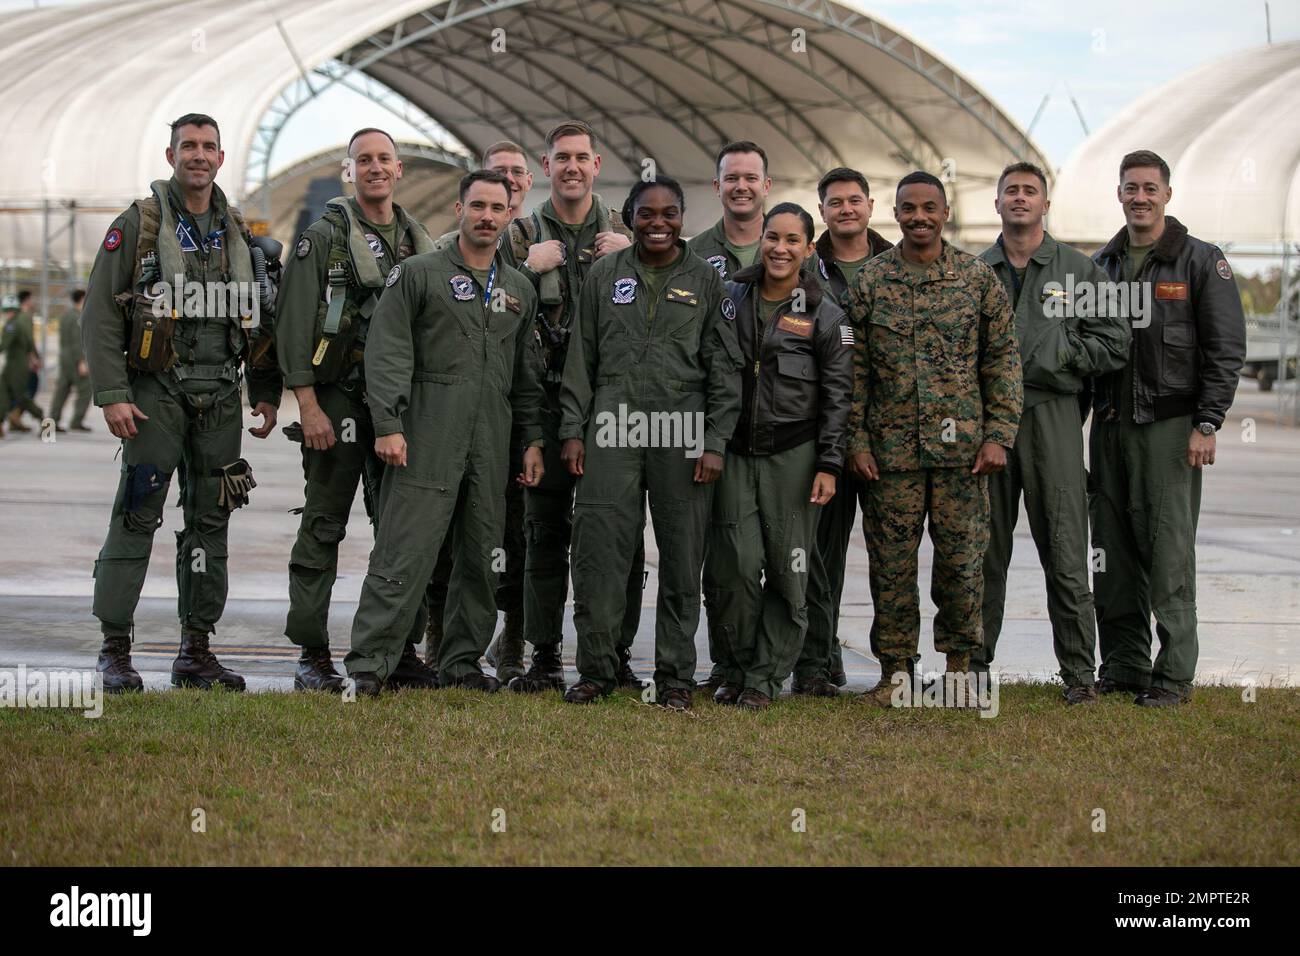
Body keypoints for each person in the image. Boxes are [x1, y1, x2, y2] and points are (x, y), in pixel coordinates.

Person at [81, 113, 282, 693]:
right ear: (171, 157)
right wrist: (113, 394)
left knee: (211, 521)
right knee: (138, 512)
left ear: (221, 159)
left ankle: (196, 650)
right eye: (188, 146)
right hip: (156, 397)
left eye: (209, 147)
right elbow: (98, 313)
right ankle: (114, 648)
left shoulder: (239, 234)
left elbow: (261, 318)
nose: (199, 155)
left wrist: (265, 392)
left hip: (221, 396)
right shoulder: (140, 225)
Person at [343, 169, 545, 696]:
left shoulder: (519, 288)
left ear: (508, 216)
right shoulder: (418, 274)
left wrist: (532, 441)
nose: (486, 216)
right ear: (459, 211)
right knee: (405, 549)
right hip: (426, 429)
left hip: (491, 439)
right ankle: (370, 662)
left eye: (496, 208)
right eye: (476, 206)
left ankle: (460, 662)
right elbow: (387, 353)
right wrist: (387, 423)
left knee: (481, 555)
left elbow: (525, 376)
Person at [558, 175, 743, 709]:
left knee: (683, 558)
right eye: (646, 214)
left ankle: (675, 678)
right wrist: (574, 430)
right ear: (629, 219)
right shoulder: (603, 275)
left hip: (681, 427)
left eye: (669, 214)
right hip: (612, 423)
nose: (657, 223)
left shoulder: (707, 282)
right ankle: (597, 670)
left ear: (683, 217)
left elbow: (724, 368)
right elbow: (581, 358)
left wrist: (714, 441)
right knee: (599, 551)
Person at [844, 171, 1022, 706]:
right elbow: (853, 370)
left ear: (945, 213)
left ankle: (960, 671)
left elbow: (1003, 360)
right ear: (894, 214)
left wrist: (998, 435)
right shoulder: (871, 282)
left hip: (963, 457)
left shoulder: (976, 278)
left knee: (962, 566)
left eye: (929, 207)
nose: (918, 217)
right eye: (908, 208)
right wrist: (856, 440)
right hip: (890, 457)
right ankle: (896, 673)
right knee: (891, 568)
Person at [277, 127, 438, 693]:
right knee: (323, 524)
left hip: (396, 405)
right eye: (363, 160)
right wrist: (308, 404)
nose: (374, 167)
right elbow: (293, 321)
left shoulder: (422, 243)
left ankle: (399, 648)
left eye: (383, 159)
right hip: (338, 399)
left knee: (400, 530)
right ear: (350, 171)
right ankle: (311, 652)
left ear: (398, 171)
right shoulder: (323, 238)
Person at [1088, 149, 1246, 707]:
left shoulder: (1200, 261)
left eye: (1150, 188)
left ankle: (1174, 674)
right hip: (1109, 428)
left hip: (1170, 427)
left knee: (1167, 549)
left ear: (1168, 195)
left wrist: (1208, 422)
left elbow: (1226, 350)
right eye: (1131, 188)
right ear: (1120, 194)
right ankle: (1125, 665)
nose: (1140, 197)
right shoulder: (1101, 265)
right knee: (1112, 552)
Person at [496, 120, 647, 696]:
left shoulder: (628, 231)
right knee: (543, 534)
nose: (573, 168)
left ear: (597, 165)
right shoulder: (520, 234)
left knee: (619, 536)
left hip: (614, 410)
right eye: (562, 158)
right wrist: (523, 272)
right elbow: (485, 305)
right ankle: (543, 654)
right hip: (546, 404)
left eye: (582, 158)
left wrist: (632, 255)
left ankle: (615, 653)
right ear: (547, 164)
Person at [975, 162, 1131, 704]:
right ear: (996, 204)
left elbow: (1115, 343)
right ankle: (971, 668)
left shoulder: (1078, 271)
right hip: (985, 427)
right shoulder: (975, 271)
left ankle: (1079, 676)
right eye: (1010, 191)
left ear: (1045, 204)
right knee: (981, 552)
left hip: (1053, 419)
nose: (1020, 199)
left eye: (1030, 192)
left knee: (1066, 551)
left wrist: (1060, 354)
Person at [703, 202, 852, 709]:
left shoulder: (827, 315)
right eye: (773, 237)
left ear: (809, 249)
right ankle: (736, 666)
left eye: (793, 240)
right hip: (735, 454)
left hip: (795, 456)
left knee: (790, 572)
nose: (780, 248)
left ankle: (764, 679)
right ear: (760, 241)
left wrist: (830, 464)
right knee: (734, 569)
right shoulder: (729, 299)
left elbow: (838, 396)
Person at [428, 140, 536, 682]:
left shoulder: (523, 278)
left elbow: (525, 365)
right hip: (441, 425)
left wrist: (533, 436)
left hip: (510, 428)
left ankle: (486, 654)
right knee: (427, 545)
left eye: (515, 179)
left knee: (496, 545)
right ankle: (415, 653)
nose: (495, 204)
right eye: (485, 197)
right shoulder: (434, 263)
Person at [797, 167, 894, 695]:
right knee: (819, 556)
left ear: (871, 205)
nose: (846, 210)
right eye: (835, 203)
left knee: (891, 558)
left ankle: (893, 667)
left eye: (854, 200)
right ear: (823, 210)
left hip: (887, 438)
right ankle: (817, 661)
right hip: (824, 436)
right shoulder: (804, 266)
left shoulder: (897, 265)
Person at [687, 141, 772, 282]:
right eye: (731, 178)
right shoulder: (692, 254)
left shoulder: (795, 252)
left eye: (751, 178)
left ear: (766, 186)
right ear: (717, 187)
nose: (741, 187)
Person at [1, 291, 43, 436]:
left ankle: (43, 418)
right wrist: (35, 358)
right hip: (13, 365)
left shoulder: (12, 325)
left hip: (16, 367)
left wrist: (33, 358)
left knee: (21, 396)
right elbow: (29, 342)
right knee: (3, 395)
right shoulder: (21, 321)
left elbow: (4, 344)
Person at [50, 290, 93, 433]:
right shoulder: (78, 318)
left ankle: (51, 422)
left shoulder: (66, 316)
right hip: (75, 360)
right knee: (86, 390)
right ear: (82, 299)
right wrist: (81, 361)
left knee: (61, 391)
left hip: (65, 359)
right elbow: (77, 342)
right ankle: (76, 421)